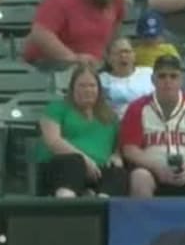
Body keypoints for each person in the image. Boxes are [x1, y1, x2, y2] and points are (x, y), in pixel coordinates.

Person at [119, 54, 185, 197]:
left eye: (173, 76)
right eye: (162, 76)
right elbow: (130, 148)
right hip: (151, 171)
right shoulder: (137, 108)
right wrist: (156, 167)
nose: (167, 81)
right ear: (153, 79)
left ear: (181, 80)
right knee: (139, 177)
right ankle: (144, 220)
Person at [38, 64, 127, 198]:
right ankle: (67, 199)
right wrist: (85, 160)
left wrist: (116, 155)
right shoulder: (56, 109)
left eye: (92, 86)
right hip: (63, 166)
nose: (88, 90)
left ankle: (100, 200)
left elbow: (117, 147)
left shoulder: (110, 116)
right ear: (72, 88)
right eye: (82, 85)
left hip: (98, 170)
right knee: (74, 162)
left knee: (119, 173)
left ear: (99, 89)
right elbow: (53, 141)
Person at [23, 0, 126, 70]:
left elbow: (117, 23)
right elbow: (41, 33)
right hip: (53, 64)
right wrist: (72, 58)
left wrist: (107, 52)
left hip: (95, 65)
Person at [100, 36, 154, 119]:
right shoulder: (101, 80)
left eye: (127, 51)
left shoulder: (149, 73)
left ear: (134, 55)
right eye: (117, 53)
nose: (123, 56)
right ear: (108, 58)